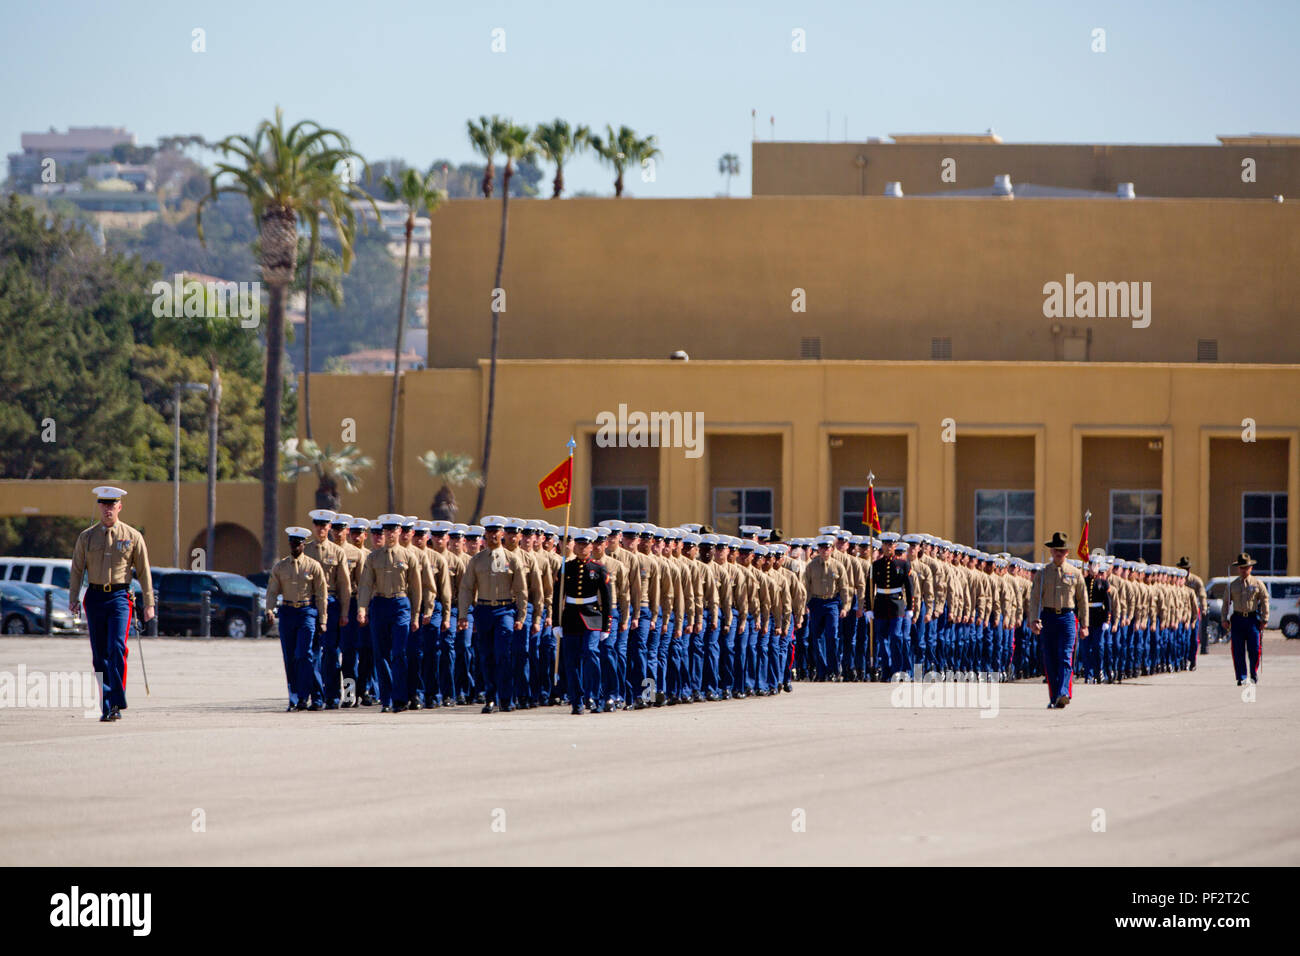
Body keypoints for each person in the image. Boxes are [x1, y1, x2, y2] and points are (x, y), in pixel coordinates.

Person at [69, 485, 154, 722]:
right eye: (104, 505)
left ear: (119, 506)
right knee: (99, 655)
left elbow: (144, 571)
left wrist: (149, 603)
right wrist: (73, 598)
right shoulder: (86, 537)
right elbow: (77, 570)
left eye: (112, 505)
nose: (108, 509)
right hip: (95, 597)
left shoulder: (132, 536)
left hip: (119, 598)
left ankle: (116, 700)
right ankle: (106, 705)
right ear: (99, 507)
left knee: (117, 648)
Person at [457, 516, 528, 713]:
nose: (493, 535)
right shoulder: (477, 560)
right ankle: (490, 697)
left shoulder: (512, 559)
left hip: (505, 610)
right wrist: (463, 614)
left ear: (502, 534)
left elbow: (521, 589)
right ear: (485, 535)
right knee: (486, 656)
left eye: (497, 532)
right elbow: (466, 589)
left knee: (503, 655)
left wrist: (521, 616)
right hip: (484, 610)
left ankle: (505, 698)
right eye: (489, 532)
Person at [355, 515, 425, 712]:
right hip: (380, 604)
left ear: (399, 532)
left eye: (393, 531)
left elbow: (416, 588)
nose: (390, 534)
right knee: (381, 654)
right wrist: (362, 608)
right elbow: (366, 585)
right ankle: (386, 699)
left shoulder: (409, 556)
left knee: (400, 652)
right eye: (387, 531)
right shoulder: (373, 557)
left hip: (401, 603)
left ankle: (400, 698)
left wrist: (416, 614)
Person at [265, 526, 328, 711]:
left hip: (306, 611)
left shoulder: (313, 566)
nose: (295, 547)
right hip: (287, 611)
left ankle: (312, 696)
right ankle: (295, 698)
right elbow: (272, 591)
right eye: (292, 543)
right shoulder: (280, 567)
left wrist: (323, 620)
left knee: (305, 654)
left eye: (299, 544)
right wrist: (269, 609)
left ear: (304, 544)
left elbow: (322, 594)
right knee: (290, 656)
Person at [553, 528, 612, 714]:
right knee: (571, 661)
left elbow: (607, 598)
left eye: (585, 544)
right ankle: (576, 700)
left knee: (590, 653)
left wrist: (606, 625)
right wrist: (556, 622)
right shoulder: (565, 567)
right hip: (570, 617)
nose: (582, 547)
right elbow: (557, 597)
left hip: (592, 618)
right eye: (578, 544)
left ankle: (593, 696)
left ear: (591, 547)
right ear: (574, 546)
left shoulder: (598, 568)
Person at [1029, 532, 1089, 708]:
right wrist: (1034, 620)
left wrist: (1084, 624)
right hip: (1048, 618)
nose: (1059, 553)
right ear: (1051, 551)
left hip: (1067, 618)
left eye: (1062, 550)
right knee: (1050, 659)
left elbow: (1082, 600)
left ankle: (1063, 692)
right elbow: (1034, 599)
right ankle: (1054, 696)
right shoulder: (1043, 573)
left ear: (1067, 552)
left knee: (1065, 656)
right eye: (1056, 550)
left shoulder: (1075, 573)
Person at [304, 509, 351, 709]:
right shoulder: (305, 550)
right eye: (318, 525)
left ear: (329, 527)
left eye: (324, 525)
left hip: (331, 603)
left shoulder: (337, 552)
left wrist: (344, 612)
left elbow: (344, 585)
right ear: (314, 527)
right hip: (311, 603)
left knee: (331, 651)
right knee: (312, 651)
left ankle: (332, 695)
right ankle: (317, 696)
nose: (321, 529)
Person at [1223, 552, 1269, 685]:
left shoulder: (1257, 583)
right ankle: (1241, 676)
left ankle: (1253, 673)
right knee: (1237, 650)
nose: (1244, 570)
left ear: (1251, 568)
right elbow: (1226, 602)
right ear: (1238, 568)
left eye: (1246, 567)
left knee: (1255, 648)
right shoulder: (1233, 585)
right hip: (1237, 619)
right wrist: (1224, 619)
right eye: (1241, 567)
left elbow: (1265, 600)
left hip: (1252, 619)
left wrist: (1264, 619)